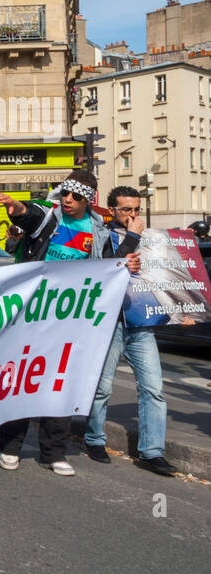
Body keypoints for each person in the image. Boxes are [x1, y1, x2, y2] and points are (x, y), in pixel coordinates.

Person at [0, 171, 125, 478]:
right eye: (65, 193)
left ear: (88, 199)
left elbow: (107, 270)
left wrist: (127, 254)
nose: (68, 200)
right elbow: (30, 215)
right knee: (22, 379)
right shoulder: (50, 218)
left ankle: (53, 452)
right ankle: (10, 446)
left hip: (69, 321)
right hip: (31, 315)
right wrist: (17, 207)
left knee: (60, 383)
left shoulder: (98, 231)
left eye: (76, 196)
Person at [82, 186, 176, 476]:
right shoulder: (101, 237)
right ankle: (94, 439)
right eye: (126, 210)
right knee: (102, 387)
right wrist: (132, 238)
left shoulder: (151, 240)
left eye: (136, 209)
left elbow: (169, 274)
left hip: (140, 323)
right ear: (112, 210)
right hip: (110, 324)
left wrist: (181, 311)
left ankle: (152, 452)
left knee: (153, 389)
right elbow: (107, 269)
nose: (133, 215)